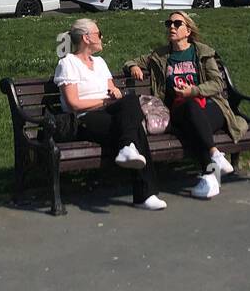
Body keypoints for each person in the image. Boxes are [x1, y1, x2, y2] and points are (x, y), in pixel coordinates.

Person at [126, 11, 247, 200]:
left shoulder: (202, 52)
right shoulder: (160, 55)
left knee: (192, 122)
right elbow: (132, 61)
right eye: (169, 24)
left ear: (188, 30)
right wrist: (133, 66)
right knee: (190, 112)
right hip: (178, 110)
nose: (171, 27)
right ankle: (215, 157)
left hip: (211, 106)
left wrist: (194, 91)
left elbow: (217, 83)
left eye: (177, 23)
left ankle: (210, 176)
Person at [53, 19, 166, 211]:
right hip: (84, 117)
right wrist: (105, 101)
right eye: (99, 33)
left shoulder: (100, 62)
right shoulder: (67, 63)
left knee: (130, 100)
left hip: (108, 110)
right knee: (135, 129)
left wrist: (115, 93)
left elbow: (112, 88)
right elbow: (74, 103)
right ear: (86, 38)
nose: (102, 37)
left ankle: (128, 148)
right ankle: (144, 193)